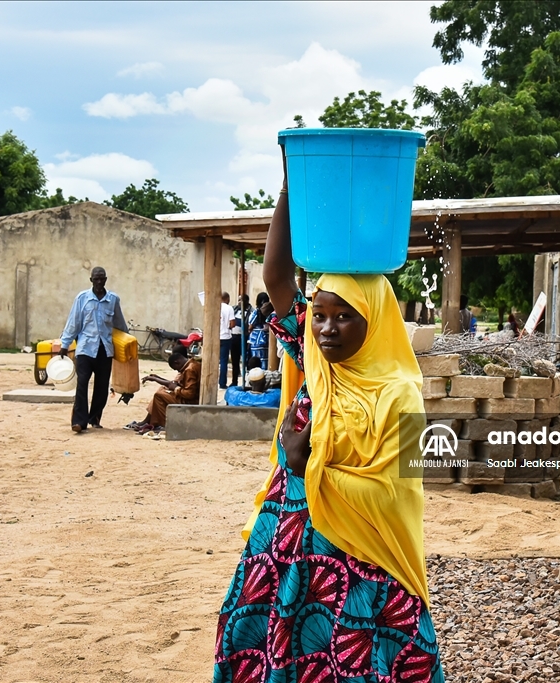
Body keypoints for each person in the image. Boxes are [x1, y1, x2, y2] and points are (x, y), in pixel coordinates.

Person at [213, 165, 444, 681]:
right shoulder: (317, 362)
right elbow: (275, 277)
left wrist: (309, 462)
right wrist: (292, 187)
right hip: (285, 555)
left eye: (344, 317)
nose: (325, 328)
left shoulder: (402, 395)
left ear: (375, 319)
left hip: (359, 566)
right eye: (319, 314)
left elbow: (400, 493)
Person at [59, 267, 128, 433]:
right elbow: (74, 322)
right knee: (82, 385)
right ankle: (79, 422)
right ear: (91, 280)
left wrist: (129, 343)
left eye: (101, 279)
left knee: (102, 387)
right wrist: (64, 345)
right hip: (85, 349)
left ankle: (94, 418)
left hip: (105, 350)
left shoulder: (113, 299)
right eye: (96, 279)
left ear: (106, 279)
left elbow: (120, 324)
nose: (99, 282)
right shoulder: (82, 298)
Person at [130, 349, 201, 436]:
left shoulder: (189, 369)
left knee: (159, 395)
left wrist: (176, 389)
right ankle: (151, 422)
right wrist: (158, 378)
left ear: (177, 362)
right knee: (161, 390)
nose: (178, 371)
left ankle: (162, 424)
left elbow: (189, 394)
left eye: (176, 369)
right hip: (188, 397)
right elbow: (172, 384)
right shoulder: (190, 365)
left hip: (191, 401)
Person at [218, 292, 237, 389]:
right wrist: (228, 327)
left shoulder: (215, 306)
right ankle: (222, 383)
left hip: (216, 337)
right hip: (225, 337)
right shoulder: (229, 308)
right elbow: (232, 323)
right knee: (224, 361)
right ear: (227, 298)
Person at [247, 292, 272, 362]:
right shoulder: (271, 311)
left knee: (256, 361)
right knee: (265, 360)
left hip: (256, 340)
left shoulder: (256, 312)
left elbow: (250, 326)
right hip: (267, 339)